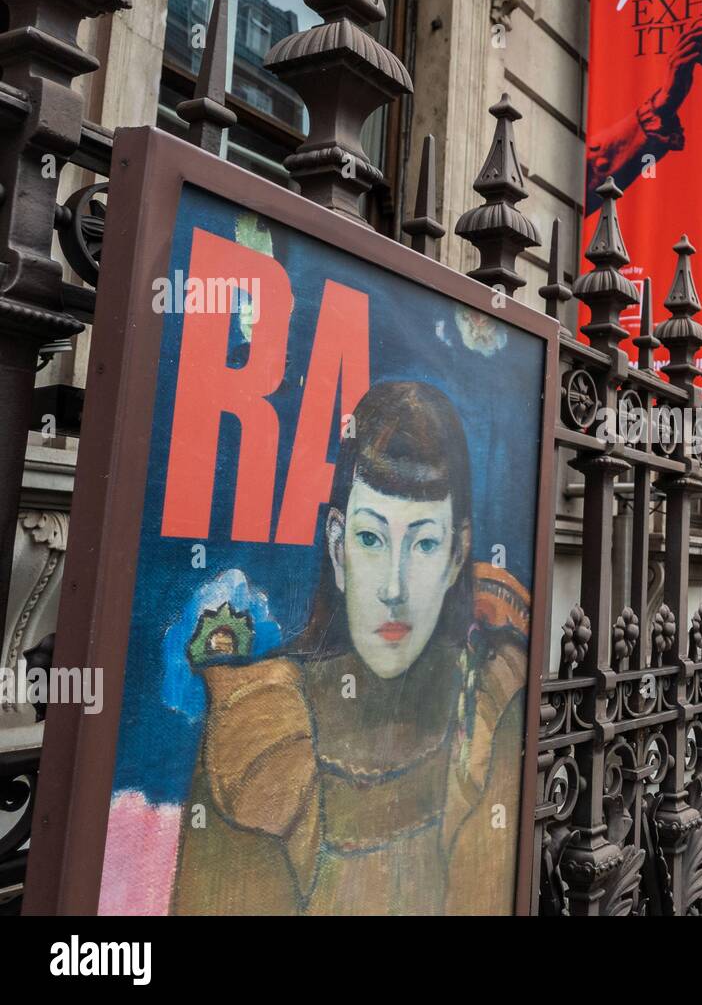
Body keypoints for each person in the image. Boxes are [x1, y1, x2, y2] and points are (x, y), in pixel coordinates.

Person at [172, 381, 531, 914]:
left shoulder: (490, 706)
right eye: (371, 538)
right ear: (337, 547)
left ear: (457, 555)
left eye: (425, 542)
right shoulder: (255, 734)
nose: (393, 587)